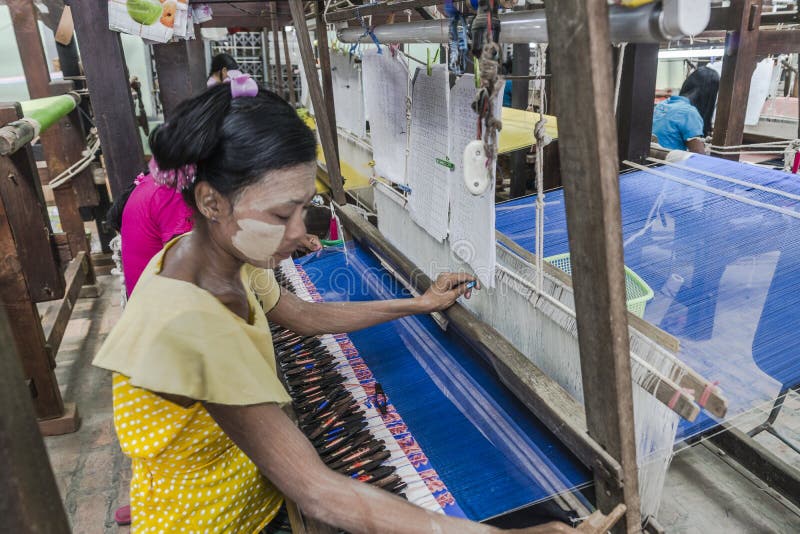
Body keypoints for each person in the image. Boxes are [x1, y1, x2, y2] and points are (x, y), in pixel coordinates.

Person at [92, 80, 585, 533]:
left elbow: (303, 317)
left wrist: (418, 303)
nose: (298, 231)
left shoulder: (221, 256)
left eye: (304, 206)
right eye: (281, 214)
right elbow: (320, 494)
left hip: (253, 497)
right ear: (211, 202)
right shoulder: (191, 321)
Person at [652, 66, 720, 154]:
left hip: (653, 158)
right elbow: (699, 155)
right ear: (709, 95)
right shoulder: (690, 113)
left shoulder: (663, 104)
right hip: (668, 161)